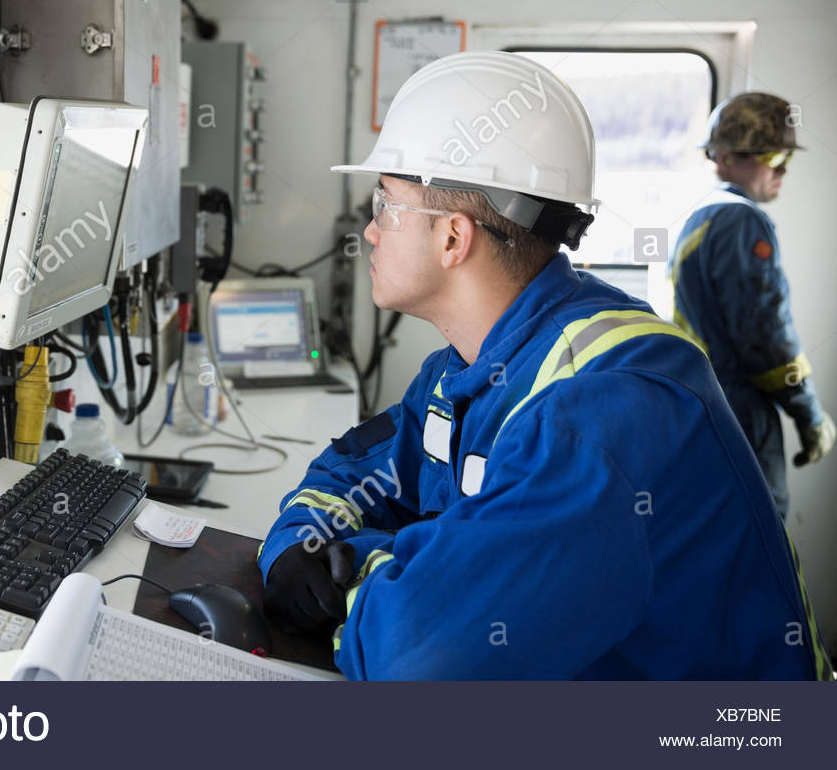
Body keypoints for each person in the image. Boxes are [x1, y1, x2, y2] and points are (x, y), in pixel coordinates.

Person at [257, 52, 830, 680]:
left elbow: (421, 658)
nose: (369, 231)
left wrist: (355, 568)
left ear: (454, 238)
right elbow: (354, 474)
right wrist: (298, 546)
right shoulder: (470, 371)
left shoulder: (603, 411)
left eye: (385, 203)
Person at [669, 92, 833, 518]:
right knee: (762, 544)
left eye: (787, 159)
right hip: (739, 415)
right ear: (724, 157)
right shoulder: (742, 220)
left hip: (704, 408)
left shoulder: (701, 216)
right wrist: (809, 413)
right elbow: (765, 336)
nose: (783, 170)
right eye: (773, 156)